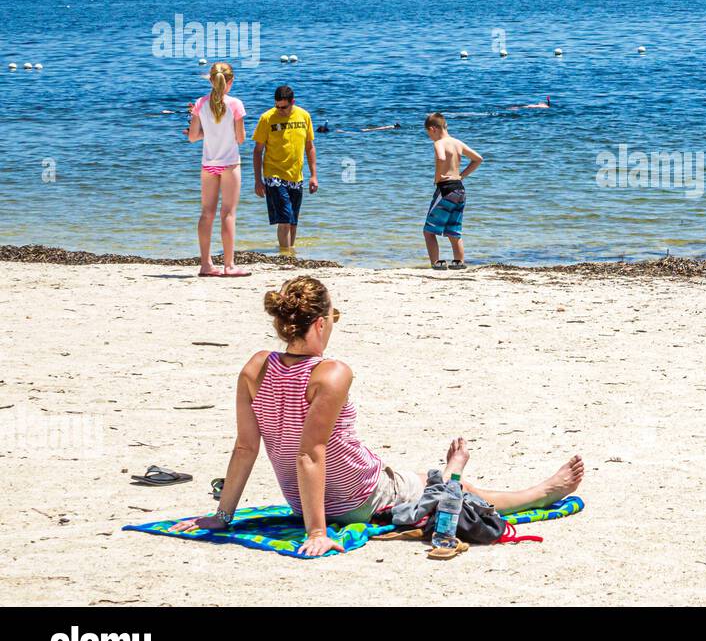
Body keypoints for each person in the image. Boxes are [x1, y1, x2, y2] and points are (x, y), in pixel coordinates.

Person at [168, 276, 584, 557]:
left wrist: (222, 517)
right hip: (360, 497)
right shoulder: (330, 373)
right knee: (439, 485)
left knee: (415, 477)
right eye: (331, 320)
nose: (332, 327)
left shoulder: (256, 366)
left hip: (302, 499)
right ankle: (540, 493)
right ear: (317, 324)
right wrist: (317, 534)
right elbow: (310, 454)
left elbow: (246, 446)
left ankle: (477, 481)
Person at [187, 62, 248, 277]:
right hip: (230, 164)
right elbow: (240, 139)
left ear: (211, 80)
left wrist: (208, 133)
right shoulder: (235, 104)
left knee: (206, 213)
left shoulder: (199, 103)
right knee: (228, 214)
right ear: (229, 82)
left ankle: (205, 264)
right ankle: (229, 265)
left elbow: (193, 137)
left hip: (208, 164)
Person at [252, 86, 317, 253]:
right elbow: (258, 151)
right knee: (285, 219)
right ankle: (285, 257)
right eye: (277, 106)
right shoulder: (267, 118)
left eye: (283, 107)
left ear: (292, 102)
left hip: (296, 176)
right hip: (274, 176)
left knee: (293, 221)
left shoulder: (304, 116)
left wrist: (313, 175)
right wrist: (258, 180)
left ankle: (289, 252)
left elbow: (309, 147)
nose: (279, 110)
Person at [422, 113, 483, 270]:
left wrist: (438, 177)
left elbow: (441, 158)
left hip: (445, 189)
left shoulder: (439, 143)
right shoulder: (457, 143)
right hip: (460, 189)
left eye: (428, 134)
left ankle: (436, 263)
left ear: (433, 129)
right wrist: (462, 175)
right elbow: (478, 159)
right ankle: (458, 262)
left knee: (428, 231)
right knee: (453, 229)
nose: (430, 137)